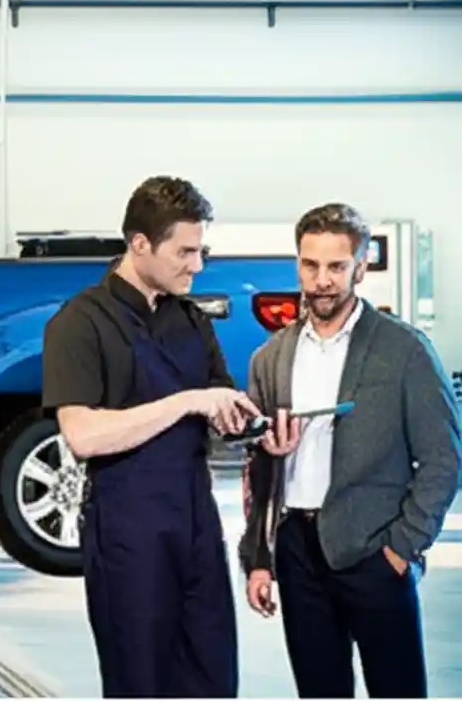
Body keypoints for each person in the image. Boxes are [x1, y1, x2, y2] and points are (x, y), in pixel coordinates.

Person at [42, 175, 259, 698]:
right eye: (185, 251)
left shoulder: (189, 319)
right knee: (140, 681)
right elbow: (84, 435)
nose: (197, 265)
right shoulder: (79, 324)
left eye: (201, 250)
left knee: (214, 678)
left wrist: (251, 425)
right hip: (128, 531)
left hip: (197, 521)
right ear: (140, 245)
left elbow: (219, 402)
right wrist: (188, 401)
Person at [238, 203, 461, 698]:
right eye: (310, 265)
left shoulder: (405, 350)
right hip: (298, 550)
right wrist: (258, 558)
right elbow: (259, 469)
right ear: (298, 263)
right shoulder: (270, 358)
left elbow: (443, 460)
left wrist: (403, 548)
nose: (322, 280)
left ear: (360, 267)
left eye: (337, 267)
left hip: (375, 550)